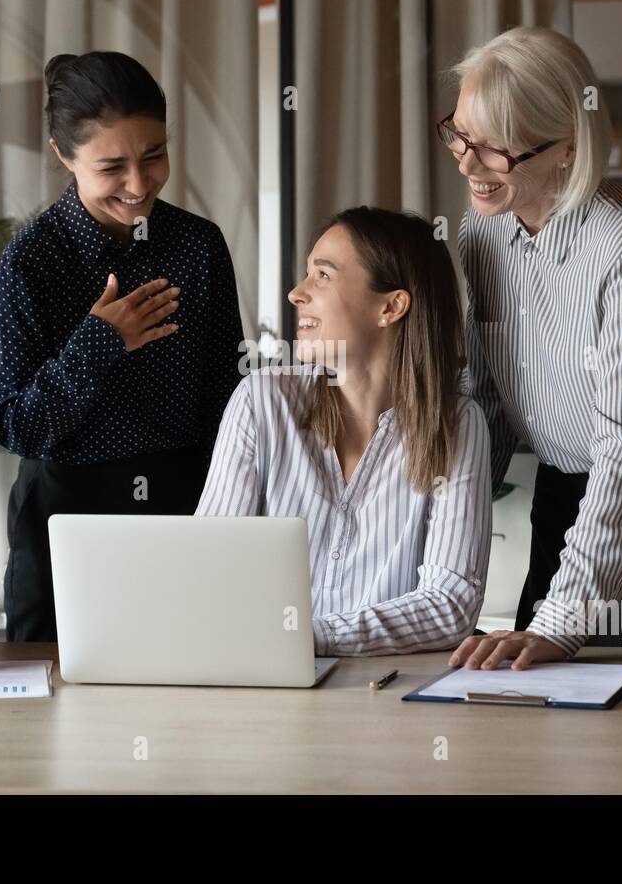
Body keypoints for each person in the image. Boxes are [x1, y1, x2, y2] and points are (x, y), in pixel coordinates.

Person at [442, 26, 622, 672]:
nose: (466, 164)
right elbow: (487, 398)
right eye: (460, 135)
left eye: (495, 150)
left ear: (566, 150)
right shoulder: (480, 232)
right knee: (520, 672)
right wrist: (448, 535)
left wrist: (562, 621)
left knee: (595, 672)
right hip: (565, 476)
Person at [0, 51, 245, 642]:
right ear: (63, 156)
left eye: (154, 157)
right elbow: (14, 426)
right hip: (63, 515)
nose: (138, 184)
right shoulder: (29, 263)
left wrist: (228, 521)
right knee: (56, 713)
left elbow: (227, 400)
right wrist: (100, 342)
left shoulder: (198, 246)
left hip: (184, 506)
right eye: (112, 167)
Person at [196, 206, 491, 655]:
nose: (297, 294)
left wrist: (305, 639)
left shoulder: (458, 425)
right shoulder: (262, 402)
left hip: (394, 699)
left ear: (391, 306)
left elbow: (450, 604)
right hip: (264, 686)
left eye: (323, 275)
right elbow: (207, 569)